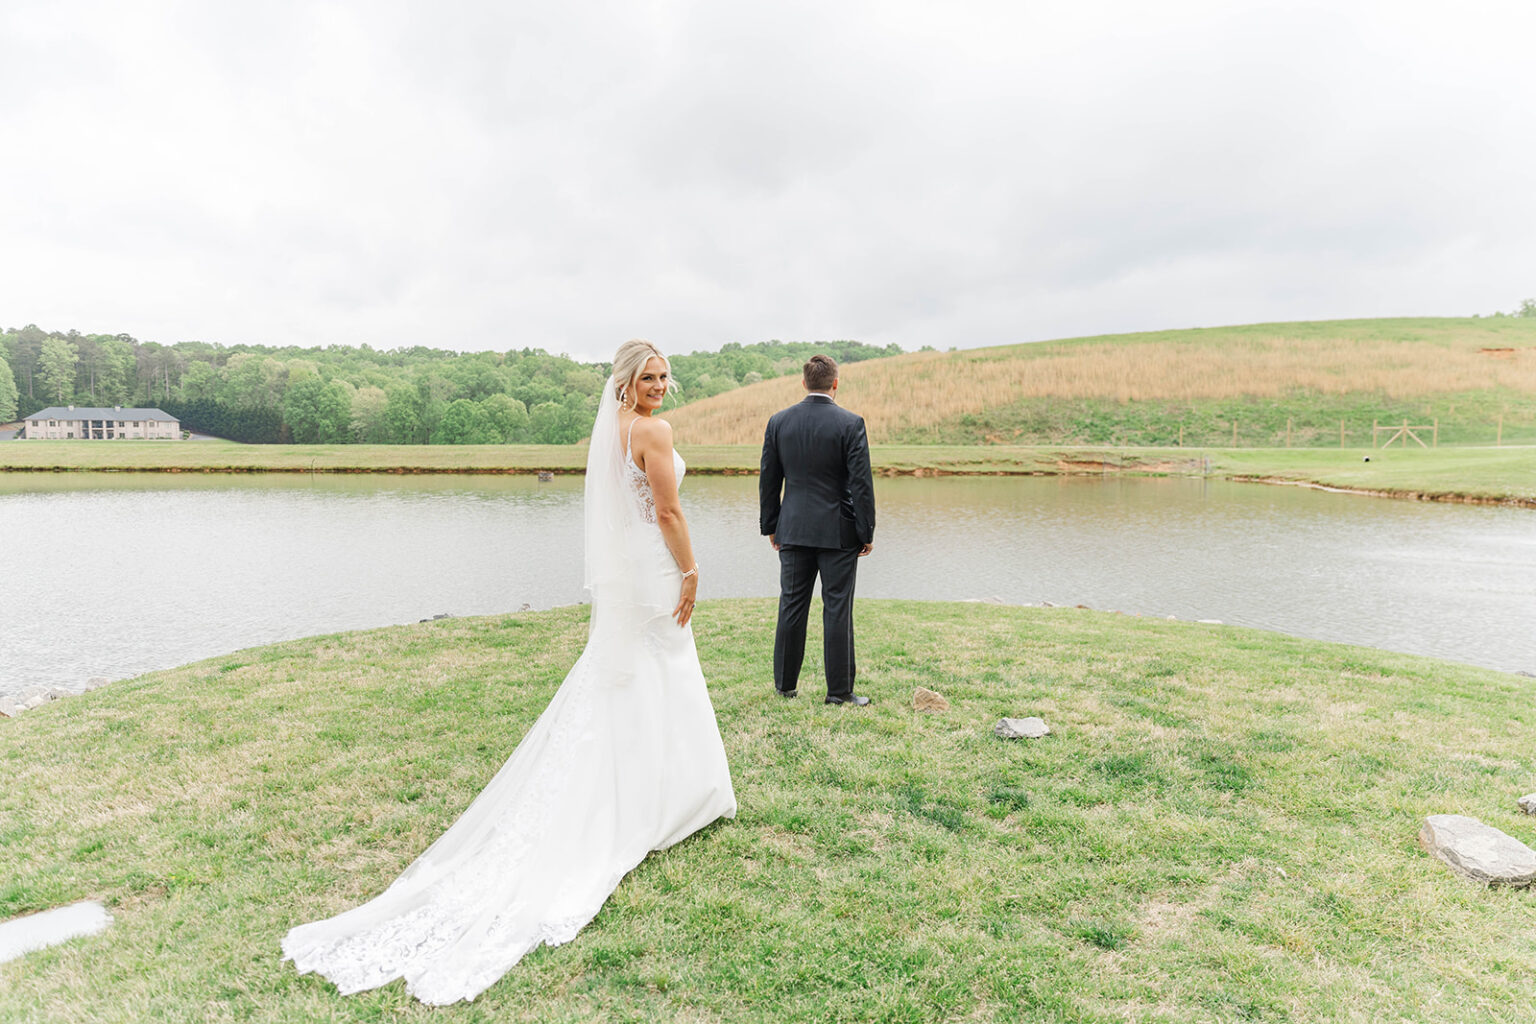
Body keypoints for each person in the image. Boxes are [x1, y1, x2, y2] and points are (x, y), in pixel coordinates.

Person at [282, 339, 737, 1005]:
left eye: (665, 376)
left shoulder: (611, 429)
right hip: (654, 570)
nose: (660, 386)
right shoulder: (652, 431)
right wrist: (691, 571)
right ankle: (671, 798)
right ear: (626, 381)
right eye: (649, 377)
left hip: (626, 575)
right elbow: (667, 511)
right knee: (660, 672)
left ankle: (658, 791)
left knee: (628, 680)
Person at [759, 354, 876, 705]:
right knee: (837, 609)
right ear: (835, 383)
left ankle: (785, 686)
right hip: (838, 532)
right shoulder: (851, 423)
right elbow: (861, 484)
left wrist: (771, 525)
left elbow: (769, 479)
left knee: (791, 605)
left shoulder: (778, 422)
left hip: (792, 528)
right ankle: (839, 693)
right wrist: (866, 532)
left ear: (804, 382)